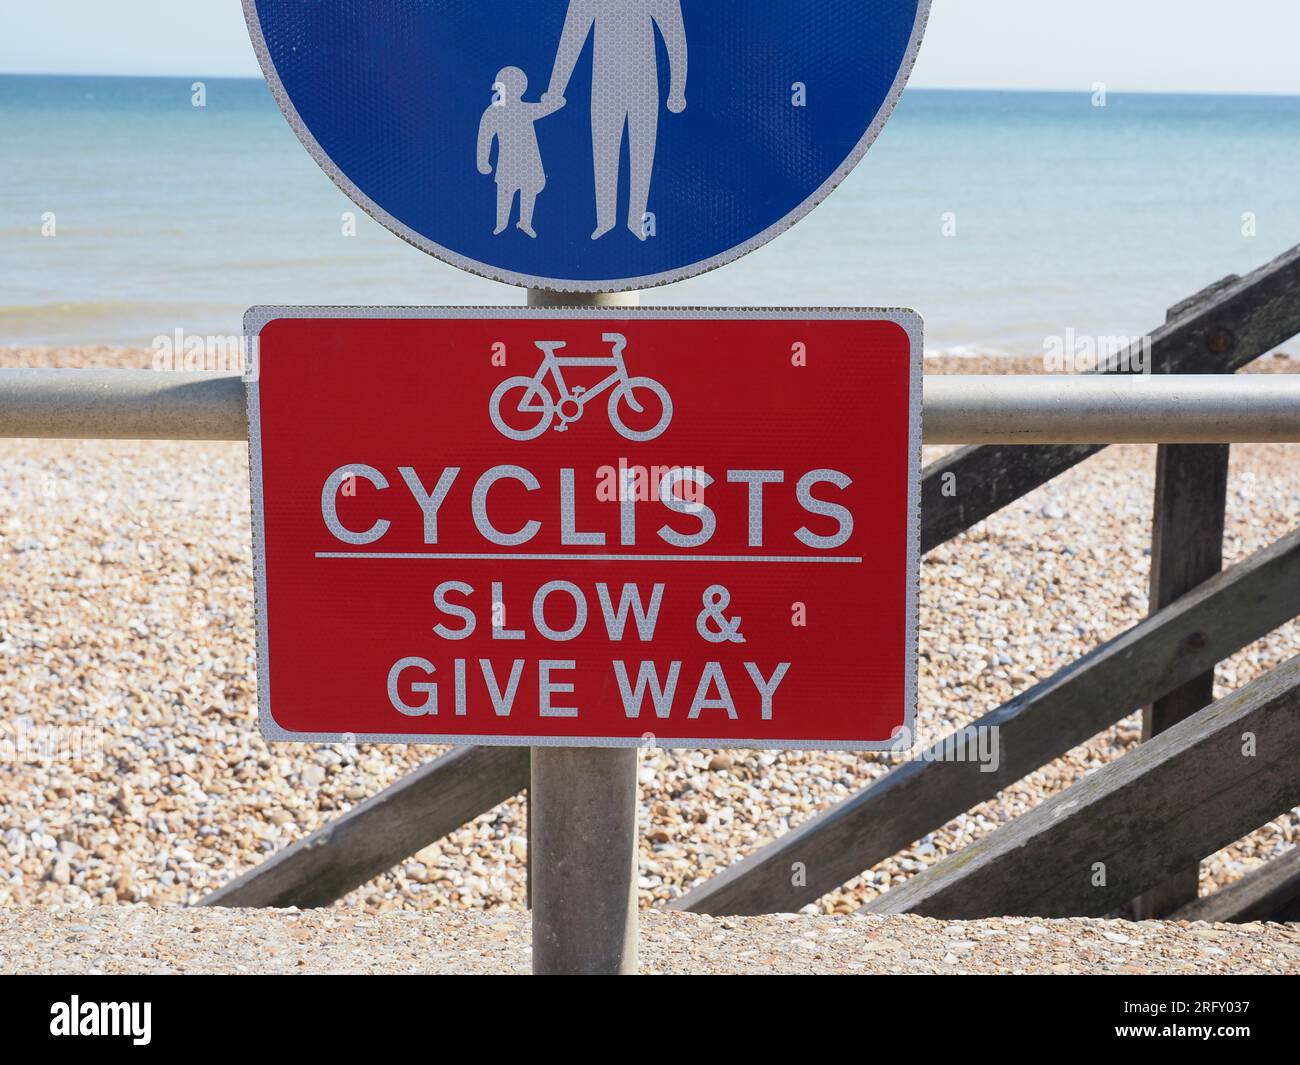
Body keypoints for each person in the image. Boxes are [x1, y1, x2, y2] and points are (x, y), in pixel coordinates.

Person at [544, 0, 687, 240]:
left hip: (644, 86)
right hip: (605, 86)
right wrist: (556, 89)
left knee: (642, 152)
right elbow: (571, 37)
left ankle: (636, 220)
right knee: (604, 152)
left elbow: (674, 37)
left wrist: (677, 90)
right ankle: (605, 221)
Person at [476, 66, 565, 237]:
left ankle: (525, 223)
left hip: (529, 160)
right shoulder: (494, 111)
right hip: (508, 161)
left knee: (529, 191)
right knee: (504, 191)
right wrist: (482, 161)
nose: (512, 89)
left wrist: (556, 102)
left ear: (522, 88)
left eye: (516, 85)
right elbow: (484, 137)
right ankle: (501, 224)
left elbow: (544, 109)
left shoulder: (525, 109)